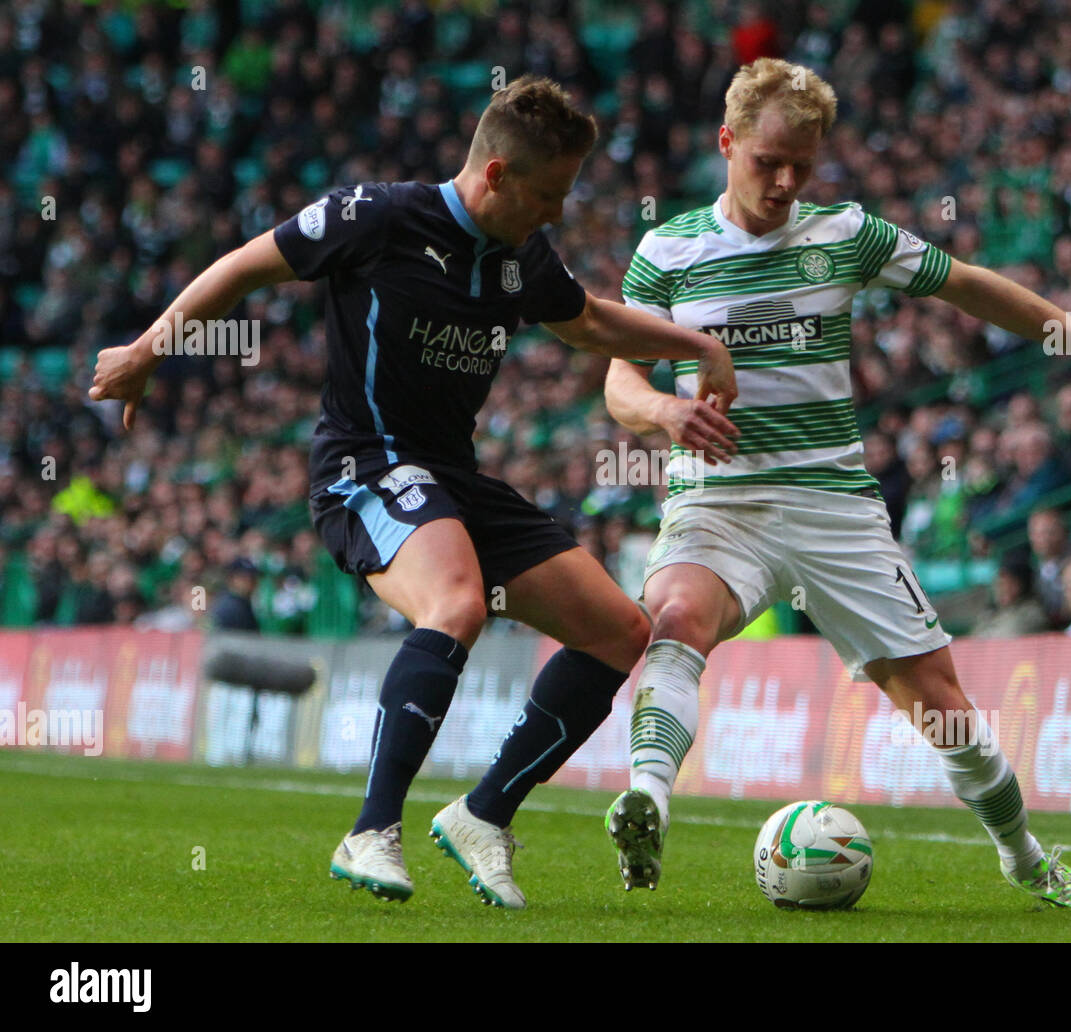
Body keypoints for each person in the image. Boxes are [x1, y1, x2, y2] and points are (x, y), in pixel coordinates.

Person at [89, 77, 738, 910]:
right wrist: (148, 349)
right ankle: (371, 829)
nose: (557, 214)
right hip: (363, 464)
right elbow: (243, 267)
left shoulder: (522, 257)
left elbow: (590, 323)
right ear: (497, 174)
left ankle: (484, 815)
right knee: (458, 600)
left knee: (619, 629)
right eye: (548, 194)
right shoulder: (379, 217)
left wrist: (695, 348)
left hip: (452, 476)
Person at [603, 59, 1071, 910]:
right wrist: (663, 415)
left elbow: (968, 286)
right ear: (726, 143)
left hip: (834, 506)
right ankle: (649, 796)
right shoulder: (668, 250)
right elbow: (620, 379)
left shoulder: (846, 234)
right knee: (673, 620)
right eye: (768, 161)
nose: (787, 181)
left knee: (939, 702)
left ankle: (1022, 854)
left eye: (804, 164)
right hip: (722, 502)